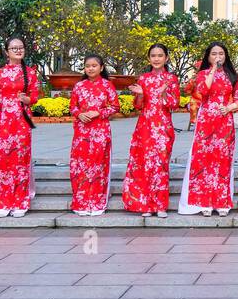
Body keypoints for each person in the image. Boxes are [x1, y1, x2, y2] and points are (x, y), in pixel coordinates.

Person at [179, 42, 238, 217]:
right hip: (206, 119)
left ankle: (221, 201)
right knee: (204, 159)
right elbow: (203, 90)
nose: (218, 57)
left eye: (221, 54)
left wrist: (230, 108)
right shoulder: (202, 74)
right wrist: (213, 71)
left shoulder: (232, 76)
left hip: (225, 121)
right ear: (208, 57)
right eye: (214, 54)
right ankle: (204, 201)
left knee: (222, 158)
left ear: (226, 56)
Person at [122, 43, 181, 217]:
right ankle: (145, 205)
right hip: (145, 126)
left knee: (161, 164)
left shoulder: (171, 79)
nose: (156, 59)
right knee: (144, 164)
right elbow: (139, 106)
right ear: (149, 58)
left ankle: (160, 205)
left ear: (166, 58)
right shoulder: (144, 79)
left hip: (163, 127)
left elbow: (175, 105)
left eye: (160, 55)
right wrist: (140, 94)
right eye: (153, 56)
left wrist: (164, 94)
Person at [0, 36, 38, 218]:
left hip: (22, 121)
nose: (18, 50)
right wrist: (6, 99)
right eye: (14, 48)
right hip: (3, 122)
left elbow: (34, 97)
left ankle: (19, 200)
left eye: (21, 47)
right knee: (1, 158)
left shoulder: (30, 73)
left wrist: (26, 99)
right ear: (6, 51)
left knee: (20, 158)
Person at [68, 54, 119, 216]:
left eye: (94, 65)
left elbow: (115, 107)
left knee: (98, 165)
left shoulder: (107, 85)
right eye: (87, 66)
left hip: (100, 130)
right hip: (82, 131)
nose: (90, 68)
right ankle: (81, 202)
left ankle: (97, 202)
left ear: (101, 68)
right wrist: (79, 114)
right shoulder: (79, 86)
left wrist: (98, 112)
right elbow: (72, 106)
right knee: (80, 165)